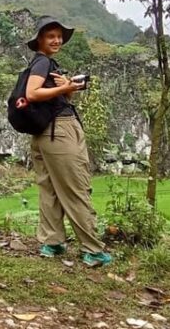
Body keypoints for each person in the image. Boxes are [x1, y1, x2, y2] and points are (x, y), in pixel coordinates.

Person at [24, 15, 112, 267]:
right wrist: (64, 89)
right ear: (39, 39)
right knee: (76, 187)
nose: (57, 40)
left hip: (44, 133)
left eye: (59, 36)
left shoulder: (43, 64)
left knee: (50, 188)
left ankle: (52, 243)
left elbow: (48, 97)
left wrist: (67, 89)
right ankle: (93, 249)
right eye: (50, 36)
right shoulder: (42, 63)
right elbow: (32, 93)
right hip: (59, 132)